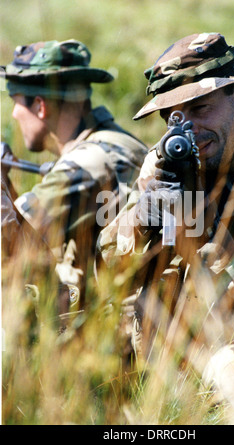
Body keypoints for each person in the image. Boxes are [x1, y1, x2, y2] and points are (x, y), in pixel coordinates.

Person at [98, 32, 234, 408]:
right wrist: (147, 213)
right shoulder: (173, 165)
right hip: (158, 377)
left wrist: (210, 229)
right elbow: (107, 270)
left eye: (200, 108)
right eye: (173, 117)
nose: (186, 129)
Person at [1, 39, 148, 309]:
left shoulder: (86, 166)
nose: (13, 114)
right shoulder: (113, 143)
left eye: (16, 101)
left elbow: (13, 251)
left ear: (40, 105)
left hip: (120, 337)